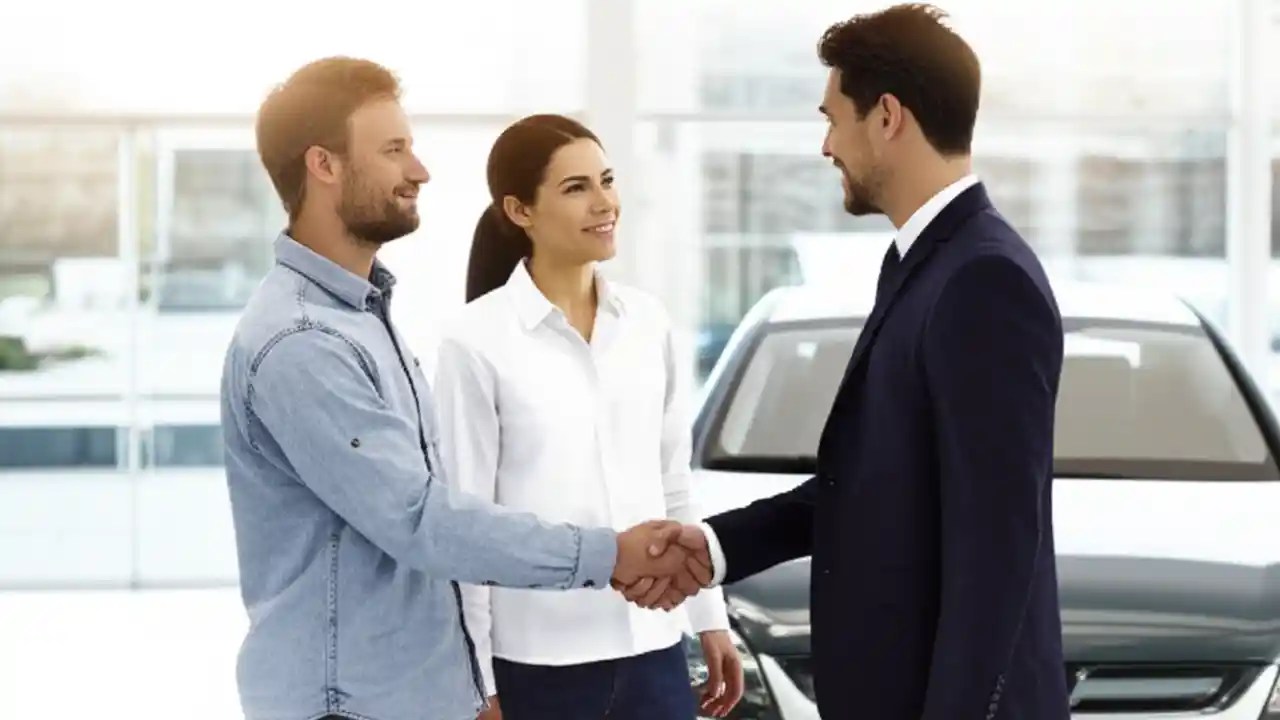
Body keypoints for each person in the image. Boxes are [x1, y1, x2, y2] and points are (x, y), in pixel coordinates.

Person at [220, 58, 706, 720]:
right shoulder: (305, 342)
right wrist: (607, 553)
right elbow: (425, 520)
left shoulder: (364, 318)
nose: (418, 170)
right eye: (394, 150)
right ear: (324, 166)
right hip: (351, 705)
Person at [631, 4, 1071, 719]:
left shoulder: (983, 280)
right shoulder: (924, 266)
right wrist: (714, 545)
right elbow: (876, 485)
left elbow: (997, 549)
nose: (827, 144)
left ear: (888, 116)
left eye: (834, 117)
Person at [432, 114, 744, 720]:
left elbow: (673, 483)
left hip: (654, 648)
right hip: (535, 664)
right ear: (520, 210)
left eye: (606, 180)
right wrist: (477, 683)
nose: (605, 202)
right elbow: (463, 527)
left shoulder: (648, 323)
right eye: (576, 188)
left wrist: (711, 619)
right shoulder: (473, 342)